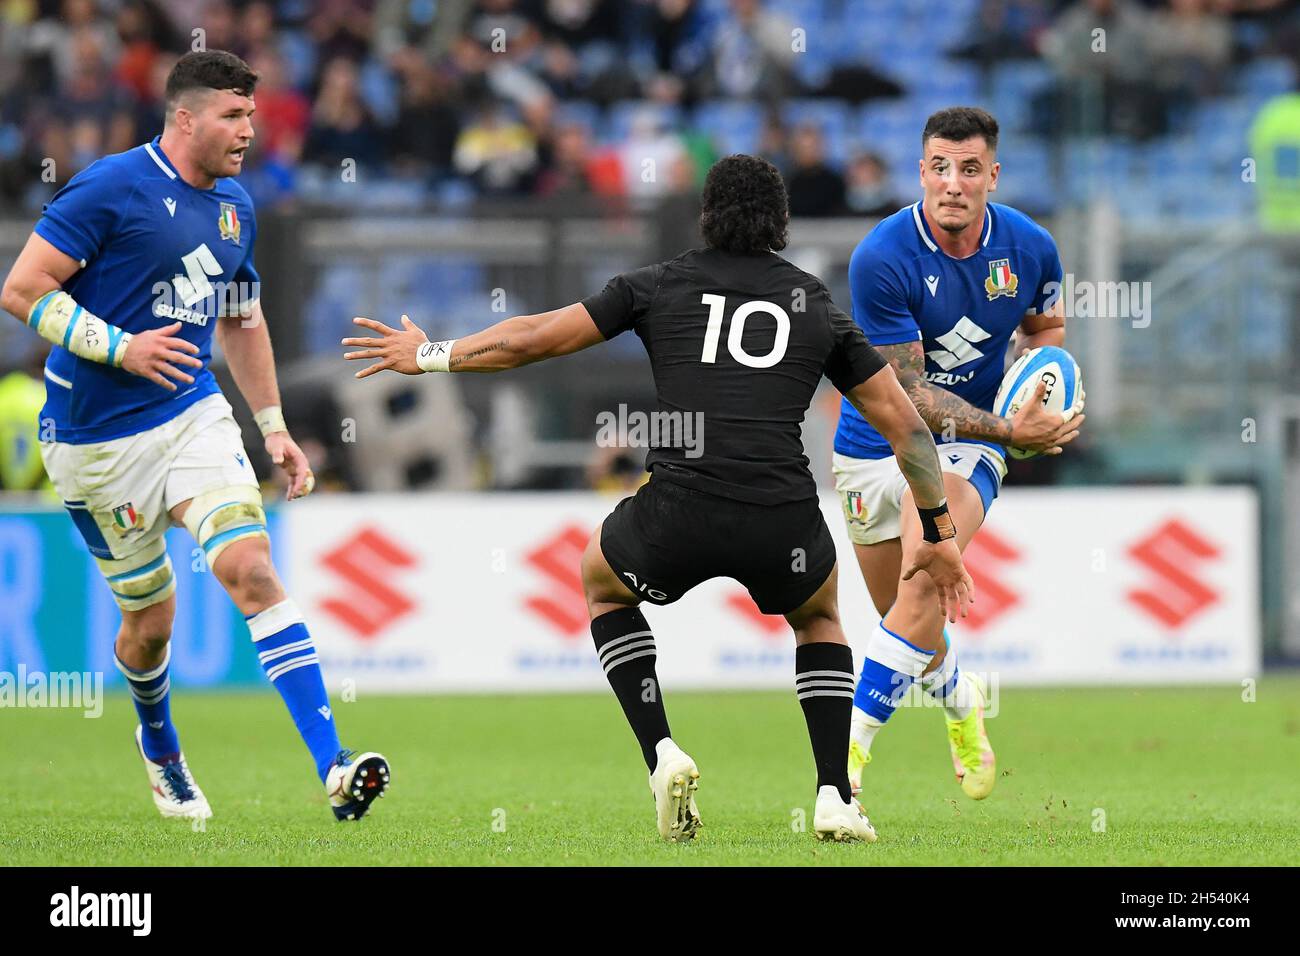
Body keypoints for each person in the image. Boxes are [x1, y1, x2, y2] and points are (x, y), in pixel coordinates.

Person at [342, 154, 974, 844]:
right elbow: (907, 428)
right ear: (781, 224)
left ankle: (662, 754)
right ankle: (833, 794)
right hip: (781, 514)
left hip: (680, 506)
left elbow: (533, 340)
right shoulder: (813, 304)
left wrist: (433, 352)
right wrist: (938, 529)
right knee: (819, 619)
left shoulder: (658, 285)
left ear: (707, 216)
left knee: (602, 584)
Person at [0, 50, 388, 823]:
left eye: (252, 114)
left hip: (190, 412)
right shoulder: (113, 186)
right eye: (233, 116)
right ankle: (162, 750)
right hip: (94, 444)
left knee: (249, 565)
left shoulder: (236, 207)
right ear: (185, 118)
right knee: (150, 626)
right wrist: (122, 346)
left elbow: (242, 319)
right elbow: (21, 288)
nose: (250, 129)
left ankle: (336, 768)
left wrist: (273, 427)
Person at [832, 107, 1083, 817]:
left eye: (969, 168)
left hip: (968, 446)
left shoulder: (1031, 247)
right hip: (871, 447)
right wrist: (1012, 422)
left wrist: (1039, 395)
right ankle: (959, 697)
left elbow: (1046, 331)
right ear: (921, 172)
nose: (953, 183)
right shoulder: (882, 256)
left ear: (991, 175)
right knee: (903, 618)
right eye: (939, 167)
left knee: (918, 583)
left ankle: (842, 765)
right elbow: (906, 396)